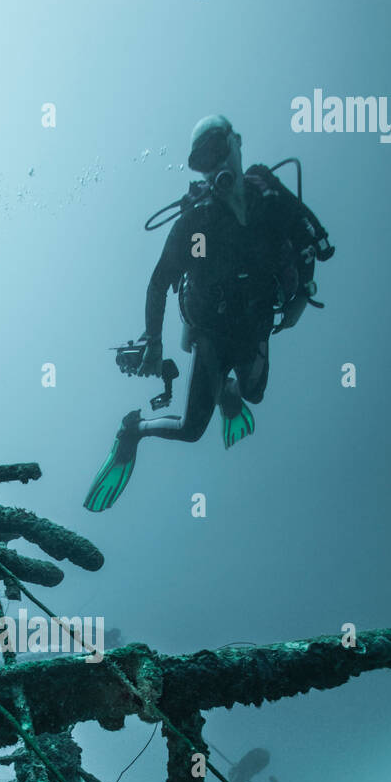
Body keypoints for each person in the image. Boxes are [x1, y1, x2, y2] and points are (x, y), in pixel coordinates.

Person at [84, 115, 334, 512]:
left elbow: (310, 240)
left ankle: (229, 395)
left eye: (218, 150)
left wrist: (303, 294)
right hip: (211, 329)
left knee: (255, 393)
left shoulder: (270, 197)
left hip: (255, 322)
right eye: (202, 160)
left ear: (236, 141)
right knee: (190, 430)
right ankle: (132, 432)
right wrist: (154, 339)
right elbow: (159, 280)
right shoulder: (198, 220)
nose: (214, 164)